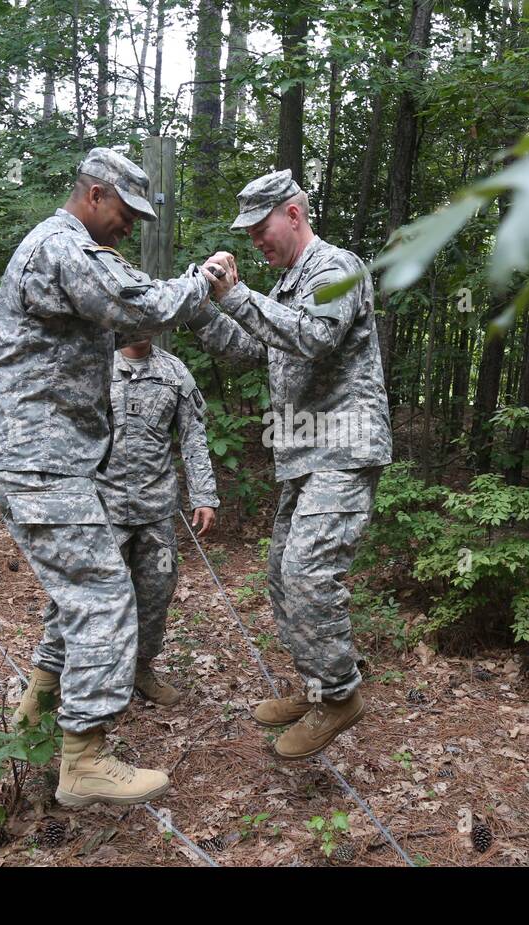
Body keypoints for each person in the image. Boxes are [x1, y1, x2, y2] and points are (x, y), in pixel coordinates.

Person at [0, 147, 213, 807]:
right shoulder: (61, 248)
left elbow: (105, 332)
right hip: (35, 455)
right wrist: (202, 283)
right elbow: (134, 306)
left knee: (80, 587)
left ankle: (36, 706)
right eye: (126, 213)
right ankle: (84, 757)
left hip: (45, 455)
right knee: (106, 596)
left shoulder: (63, 251)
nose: (129, 226)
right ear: (96, 194)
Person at [188, 169, 393, 759]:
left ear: (294, 214)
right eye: (248, 233)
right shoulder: (285, 286)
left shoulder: (337, 270)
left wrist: (235, 294)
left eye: (261, 227)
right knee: (281, 575)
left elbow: (314, 338)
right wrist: (200, 307)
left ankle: (341, 695)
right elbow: (252, 346)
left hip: (345, 448)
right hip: (302, 453)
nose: (255, 241)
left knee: (308, 573)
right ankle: (316, 686)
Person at [97, 332, 219, 706]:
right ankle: (96, 674)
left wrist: (204, 496)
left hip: (158, 514)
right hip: (102, 509)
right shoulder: (95, 366)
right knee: (99, 593)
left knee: (157, 590)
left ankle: (141, 667)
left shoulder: (174, 372)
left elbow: (194, 436)